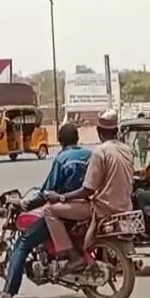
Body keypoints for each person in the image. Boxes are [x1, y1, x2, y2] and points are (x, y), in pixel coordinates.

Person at [0, 123, 92, 298]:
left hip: (64, 209)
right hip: (85, 207)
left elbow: (48, 191)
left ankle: (7, 294)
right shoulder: (88, 155)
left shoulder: (62, 158)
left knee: (22, 244)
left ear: (60, 141)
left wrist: (27, 204)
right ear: (77, 138)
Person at [42, 109, 134, 274]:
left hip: (102, 209)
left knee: (49, 210)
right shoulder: (127, 150)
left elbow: (87, 189)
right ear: (116, 130)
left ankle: (73, 257)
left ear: (99, 131)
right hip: (125, 206)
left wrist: (61, 197)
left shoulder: (100, 152)